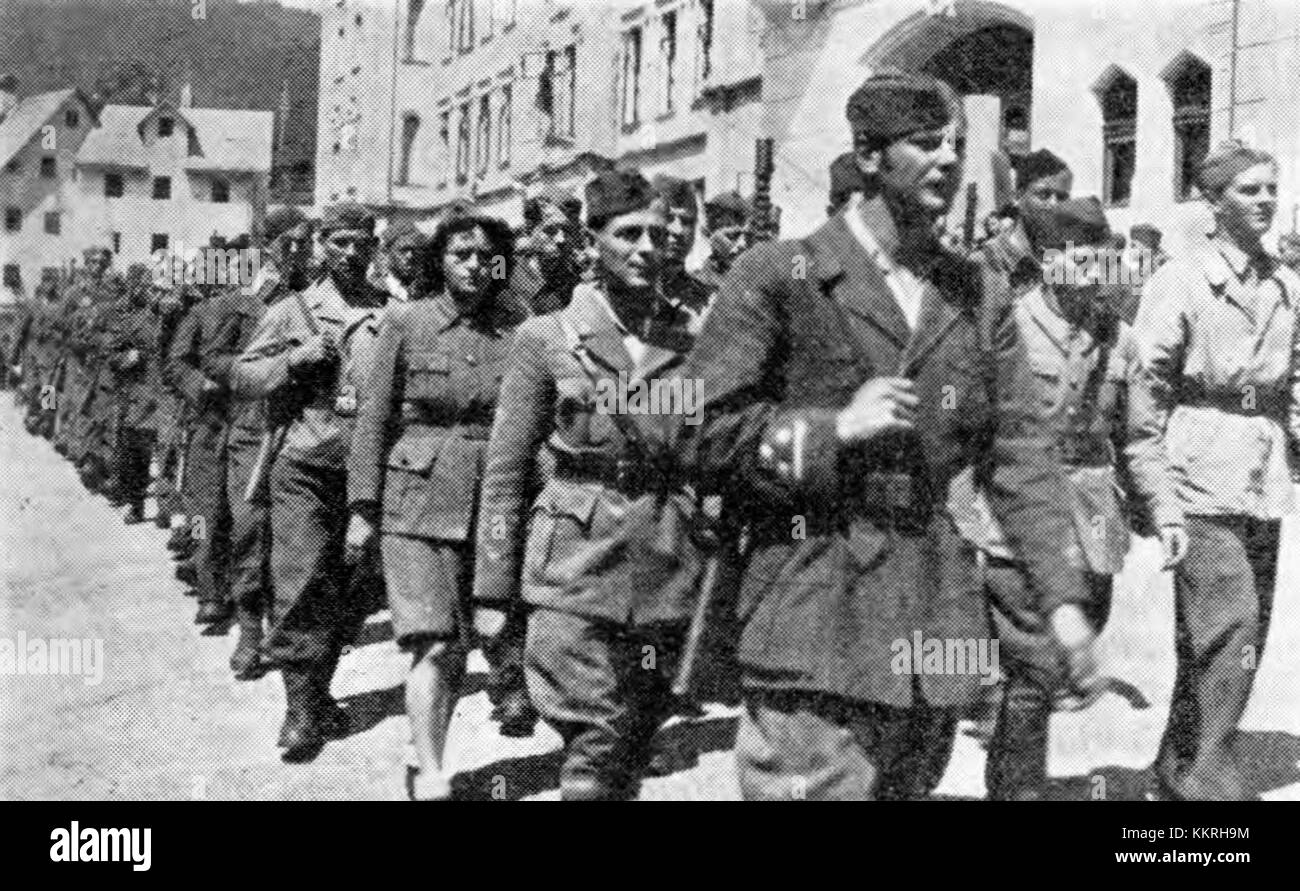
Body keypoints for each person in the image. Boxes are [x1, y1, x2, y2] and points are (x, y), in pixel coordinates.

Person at [674, 71, 1096, 800]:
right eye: (926, 144)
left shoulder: (976, 291)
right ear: (869, 157)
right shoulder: (780, 274)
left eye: (955, 145)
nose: (948, 160)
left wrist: (1060, 598)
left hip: (934, 609)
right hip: (813, 594)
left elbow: (1019, 450)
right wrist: (832, 428)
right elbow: (699, 431)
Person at [474, 168, 704, 800]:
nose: (646, 249)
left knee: (634, 732)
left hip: (666, 559)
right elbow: (505, 474)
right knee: (594, 737)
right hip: (573, 563)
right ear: (593, 241)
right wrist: (492, 591)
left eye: (658, 235)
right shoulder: (546, 338)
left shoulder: (688, 337)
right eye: (628, 234)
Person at [951, 197, 1186, 800]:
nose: (1098, 272)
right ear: (1051, 262)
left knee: (1065, 656)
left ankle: (1012, 748)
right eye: (1084, 260)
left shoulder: (1120, 339)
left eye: (1104, 259)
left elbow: (1138, 437)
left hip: (1093, 520)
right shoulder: (1007, 328)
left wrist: (1162, 509)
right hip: (1015, 511)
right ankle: (1016, 789)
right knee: (1032, 667)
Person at [1134, 141, 1300, 801]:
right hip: (1200, 467)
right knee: (1229, 628)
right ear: (1213, 202)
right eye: (1248, 190)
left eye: (1270, 188)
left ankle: (1178, 769)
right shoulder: (1180, 279)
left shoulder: (1285, 282)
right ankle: (1209, 783)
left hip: (1262, 474)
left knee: (1230, 630)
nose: (1264, 200)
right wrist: (1159, 499)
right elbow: (1144, 390)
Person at [348, 205, 521, 799]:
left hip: (494, 501)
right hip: (414, 502)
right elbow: (373, 419)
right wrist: (362, 509)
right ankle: (431, 770)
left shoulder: (518, 329)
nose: (473, 267)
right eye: (459, 255)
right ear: (440, 262)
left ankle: (426, 742)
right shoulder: (405, 321)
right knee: (436, 641)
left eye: (484, 257)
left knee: (475, 642)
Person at [234, 202, 388, 761]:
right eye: (340, 242)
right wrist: (295, 360)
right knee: (300, 580)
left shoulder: (391, 313)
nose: (351, 253)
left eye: (361, 243)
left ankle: (319, 692)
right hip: (304, 462)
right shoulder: (293, 309)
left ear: (373, 247)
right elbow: (244, 376)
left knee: (357, 586)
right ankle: (301, 709)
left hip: (370, 470)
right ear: (323, 244)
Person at [212, 210, 314, 680]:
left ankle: (293, 629)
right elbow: (218, 362)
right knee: (251, 532)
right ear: (267, 245)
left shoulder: (317, 297)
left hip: (305, 429)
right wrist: (280, 365)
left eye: (305, 242)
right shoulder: (240, 301)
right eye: (289, 242)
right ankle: (250, 627)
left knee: (299, 537)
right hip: (254, 429)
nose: (299, 250)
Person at [167, 238, 240, 628]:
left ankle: (239, 592)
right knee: (203, 511)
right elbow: (175, 364)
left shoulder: (260, 310)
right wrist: (200, 384)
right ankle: (210, 589)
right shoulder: (197, 315)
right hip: (209, 425)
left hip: (251, 423)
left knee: (245, 514)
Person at [107, 264, 163, 524]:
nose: (150, 292)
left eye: (153, 287)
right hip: (140, 397)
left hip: (167, 396)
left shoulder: (174, 317)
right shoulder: (130, 320)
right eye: (145, 287)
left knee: (169, 456)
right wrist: (127, 357)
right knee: (137, 456)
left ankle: (170, 511)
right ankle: (136, 503)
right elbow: (111, 354)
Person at [979, 149, 1073, 292]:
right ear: (1018, 197)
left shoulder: (1066, 266)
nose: (1055, 205)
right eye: (1043, 194)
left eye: (1062, 197)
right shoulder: (987, 263)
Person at [510, 188, 584, 316]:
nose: (561, 239)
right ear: (530, 232)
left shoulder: (574, 266)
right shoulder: (506, 264)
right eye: (551, 231)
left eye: (566, 230)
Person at [650, 175, 713, 323]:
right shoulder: (625, 295)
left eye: (687, 222)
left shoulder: (706, 297)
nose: (677, 231)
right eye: (666, 219)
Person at [378, 221, 428, 303]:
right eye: (403, 250)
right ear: (387, 253)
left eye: (414, 250)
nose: (410, 256)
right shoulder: (376, 290)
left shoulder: (424, 287)